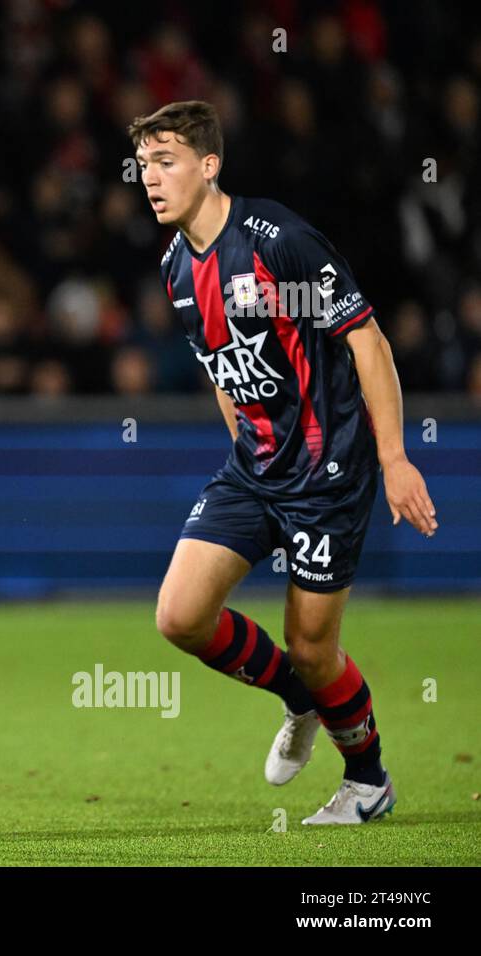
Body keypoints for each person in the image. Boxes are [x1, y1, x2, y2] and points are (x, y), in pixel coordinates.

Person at [131, 100, 437, 824]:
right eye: (143, 165)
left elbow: (368, 342)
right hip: (253, 470)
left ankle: (368, 779)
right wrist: (243, 444)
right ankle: (296, 699)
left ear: (210, 167)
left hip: (327, 476)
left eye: (166, 161)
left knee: (311, 645)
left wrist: (395, 459)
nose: (150, 178)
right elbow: (219, 364)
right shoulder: (176, 266)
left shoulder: (277, 242)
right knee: (179, 616)